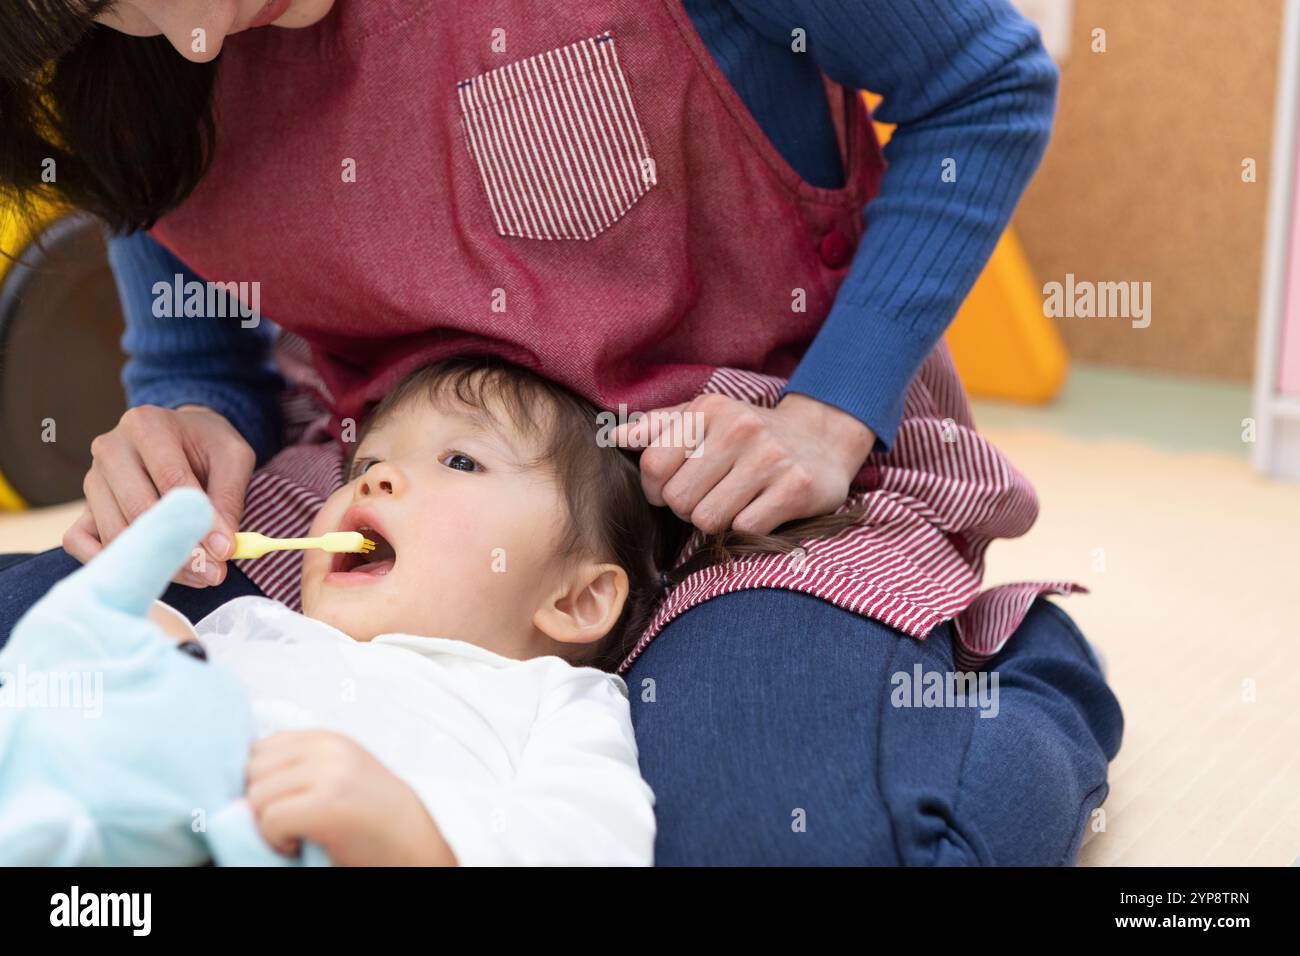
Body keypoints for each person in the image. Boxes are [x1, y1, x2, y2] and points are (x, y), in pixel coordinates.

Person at [0, 0, 1123, 864]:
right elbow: (204, 360)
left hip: (755, 483)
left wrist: (830, 414)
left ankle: (1007, 665)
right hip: (391, 466)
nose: (192, 42)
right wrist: (185, 427)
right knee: (44, 657)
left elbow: (981, 84)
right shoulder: (135, 61)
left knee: (784, 835)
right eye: (118, 14)